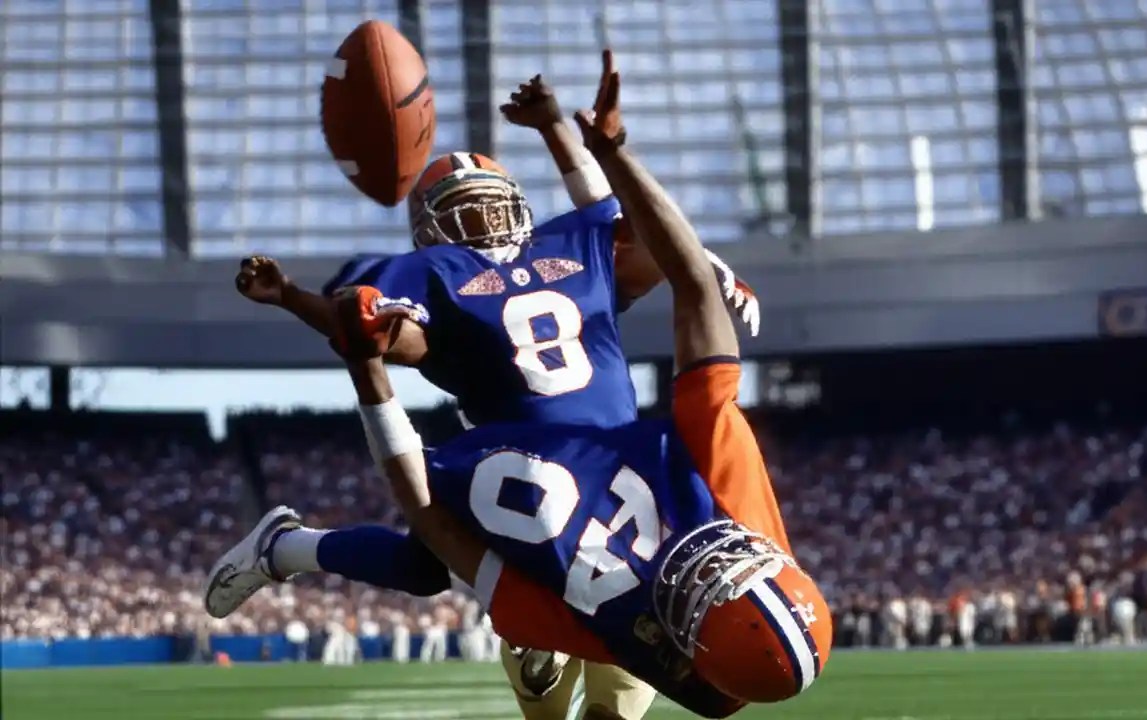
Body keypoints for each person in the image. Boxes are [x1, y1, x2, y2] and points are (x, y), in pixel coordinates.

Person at [208, 50, 830, 719]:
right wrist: (306, 304)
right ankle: (291, 549)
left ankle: (309, 555)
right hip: (541, 476)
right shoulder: (441, 273)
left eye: (491, 204)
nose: (483, 220)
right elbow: (380, 332)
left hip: (590, 490)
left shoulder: (576, 251)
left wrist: (694, 255)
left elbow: (637, 235)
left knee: (480, 592)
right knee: (429, 568)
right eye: (463, 209)